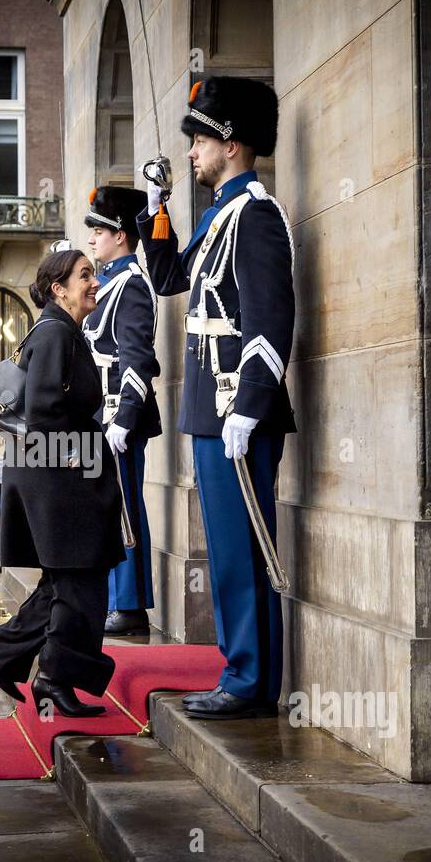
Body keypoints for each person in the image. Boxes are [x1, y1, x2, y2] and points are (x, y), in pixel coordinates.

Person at [136, 76, 297, 720]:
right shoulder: (219, 214)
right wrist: (156, 208)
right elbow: (170, 277)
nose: (194, 151)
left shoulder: (256, 213)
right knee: (229, 547)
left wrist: (253, 404)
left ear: (231, 144)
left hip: (236, 408)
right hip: (211, 409)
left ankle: (250, 680)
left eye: (201, 138)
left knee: (241, 550)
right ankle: (243, 672)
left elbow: (270, 316)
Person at [0, 249, 125, 717]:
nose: (94, 282)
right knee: (82, 585)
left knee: (62, 584)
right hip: (62, 483)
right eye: (84, 276)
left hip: (54, 477)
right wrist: (82, 462)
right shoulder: (57, 333)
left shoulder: (60, 330)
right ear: (58, 288)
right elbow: (43, 414)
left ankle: (6, 657)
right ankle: (54, 679)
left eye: (92, 274)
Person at [83, 185, 162, 636]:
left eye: (99, 229)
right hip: (102, 416)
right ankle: (118, 598)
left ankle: (130, 605)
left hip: (119, 417)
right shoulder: (110, 281)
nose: (92, 238)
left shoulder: (131, 283)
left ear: (120, 235)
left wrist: (125, 417)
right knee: (110, 510)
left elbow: (138, 358)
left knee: (125, 508)